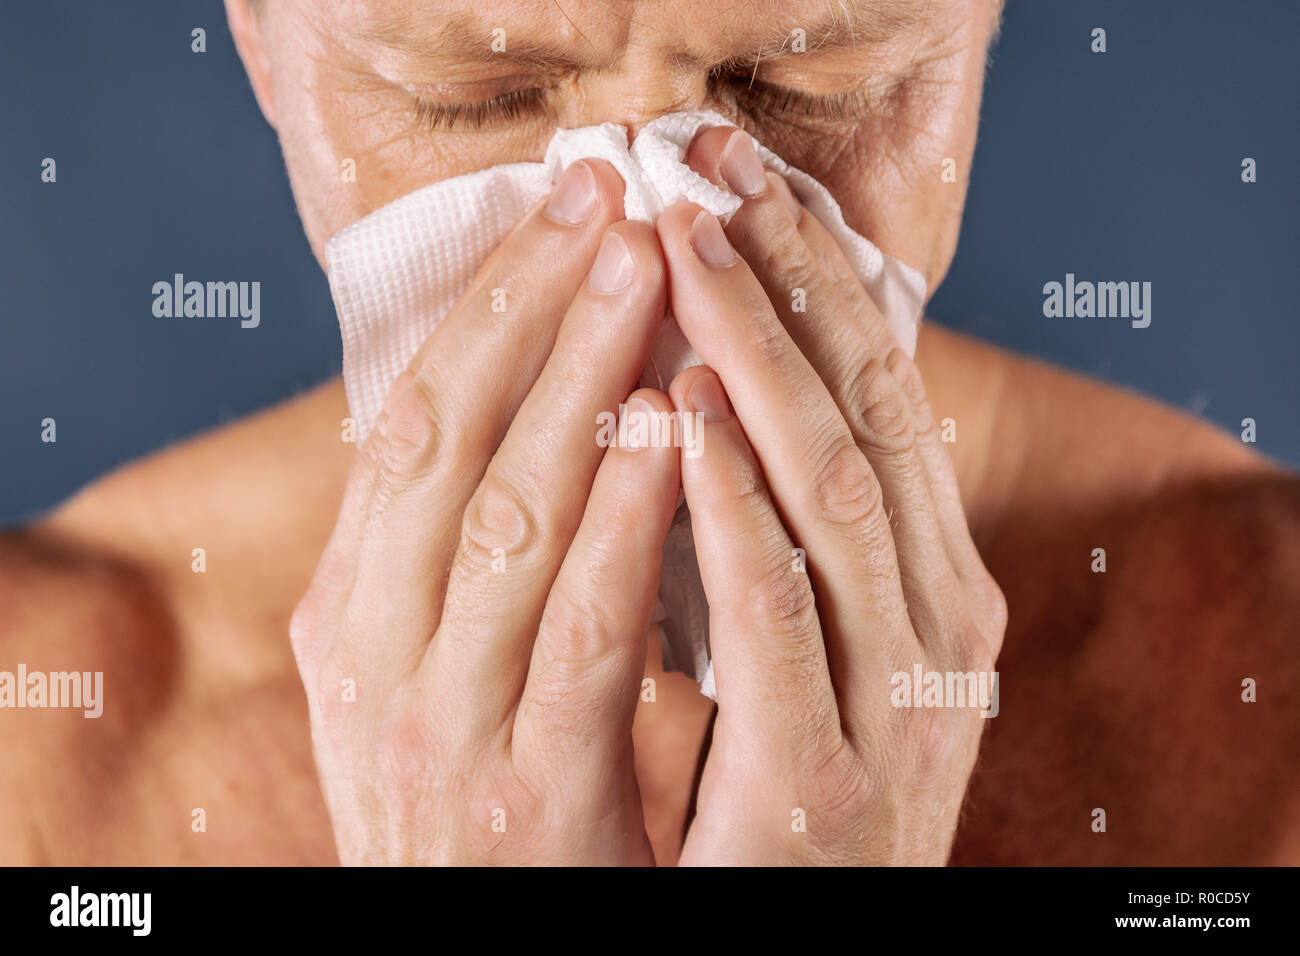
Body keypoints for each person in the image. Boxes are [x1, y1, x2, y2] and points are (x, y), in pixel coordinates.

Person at [1, 0, 1295, 865]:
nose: (648, 241)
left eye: (814, 82)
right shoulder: (40, 755)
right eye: (475, 93)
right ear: (260, 42)